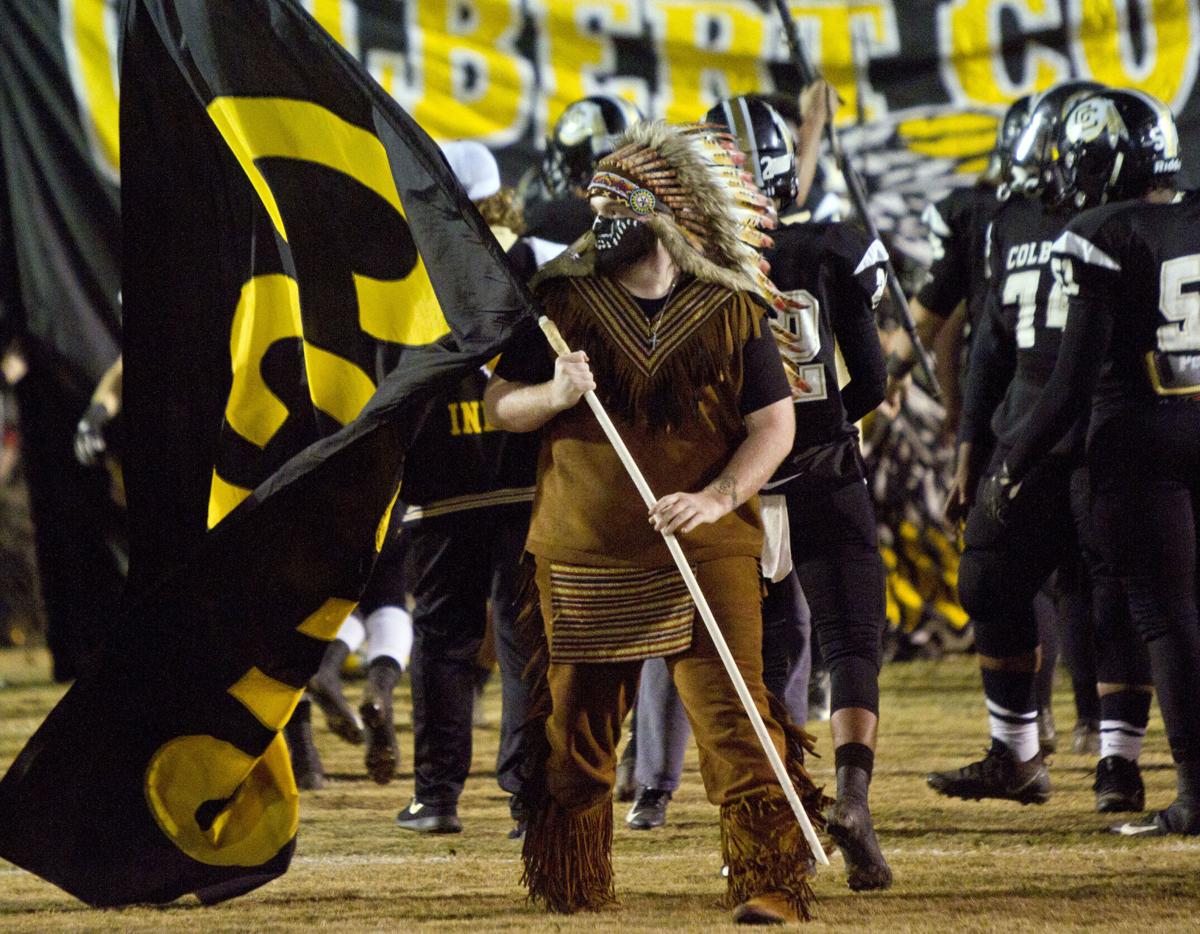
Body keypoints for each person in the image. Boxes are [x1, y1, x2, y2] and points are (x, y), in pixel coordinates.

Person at [484, 119, 825, 924]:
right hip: (582, 548)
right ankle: (571, 878)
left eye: (617, 211)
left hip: (702, 547)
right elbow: (500, 405)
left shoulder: (734, 306)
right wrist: (555, 397)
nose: (598, 228)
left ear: (665, 216)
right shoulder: (555, 303)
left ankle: (768, 880)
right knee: (573, 736)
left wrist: (715, 498)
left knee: (737, 720)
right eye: (594, 208)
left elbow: (774, 426)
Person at [926, 79, 1151, 810]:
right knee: (987, 579)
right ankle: (1015, 752)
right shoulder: (1010, 222)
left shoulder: (1129, 225)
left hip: (1108, 432)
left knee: (1116, 595)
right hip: (1026, 428)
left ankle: (1118, 760)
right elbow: (990, 342)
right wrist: (969, 446)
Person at [982, 88, 1184, 828]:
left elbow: (1070, 383)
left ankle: (1168, 782)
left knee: (1156, 613)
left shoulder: (1101, 230)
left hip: (1130, 437)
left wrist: (1011, 457)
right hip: (1184, 423)